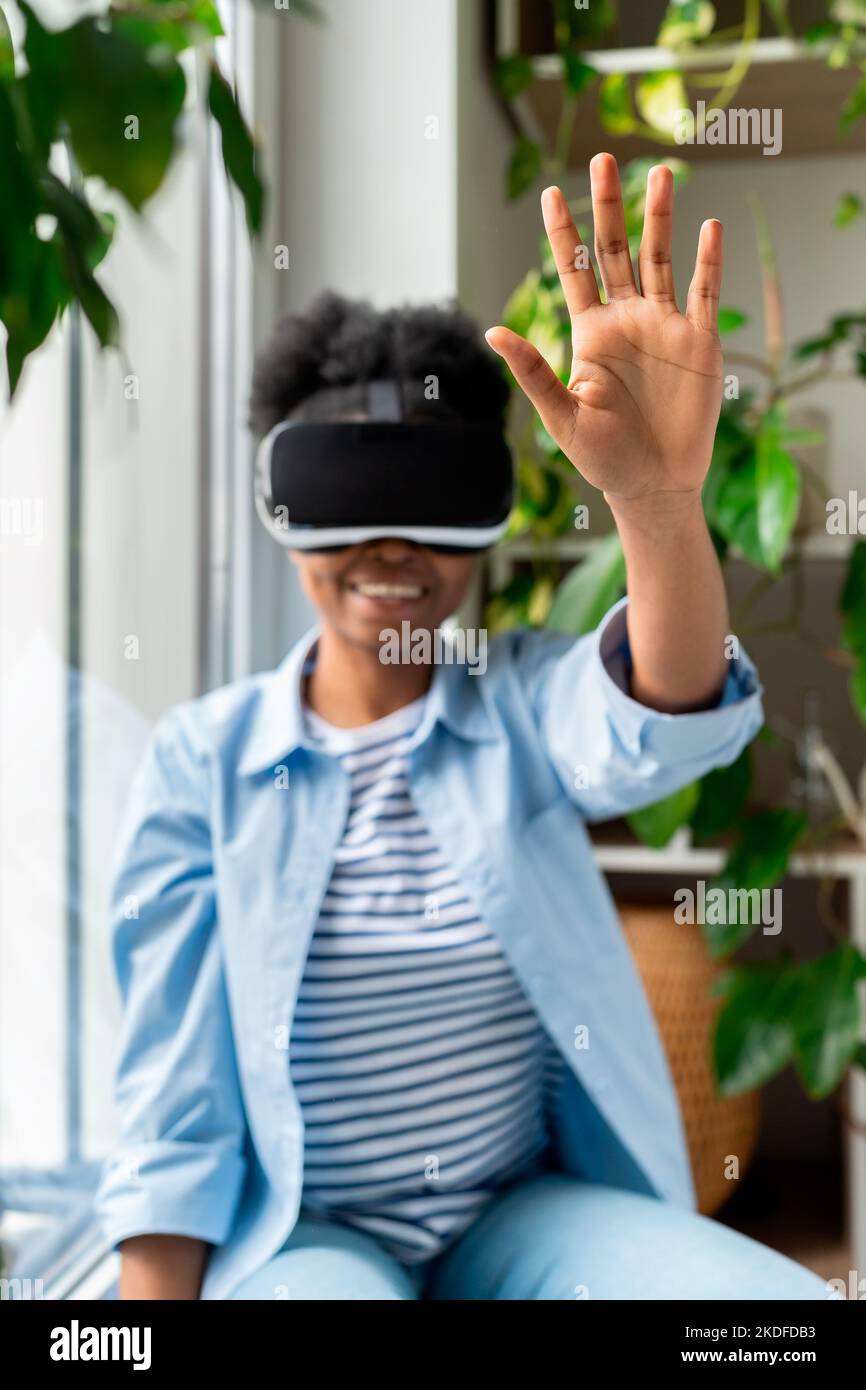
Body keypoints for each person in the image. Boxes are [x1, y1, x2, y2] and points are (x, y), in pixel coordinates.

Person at [94, 154, 827, 1300]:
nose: (391, 551)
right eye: (345, 504)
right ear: (284, 520)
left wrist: (656, 505)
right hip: (310, 1235)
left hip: (525, 1213)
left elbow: (664, 717)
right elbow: (170, 1107)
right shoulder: (204, 767)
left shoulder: (523, 705)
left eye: (431, 509)